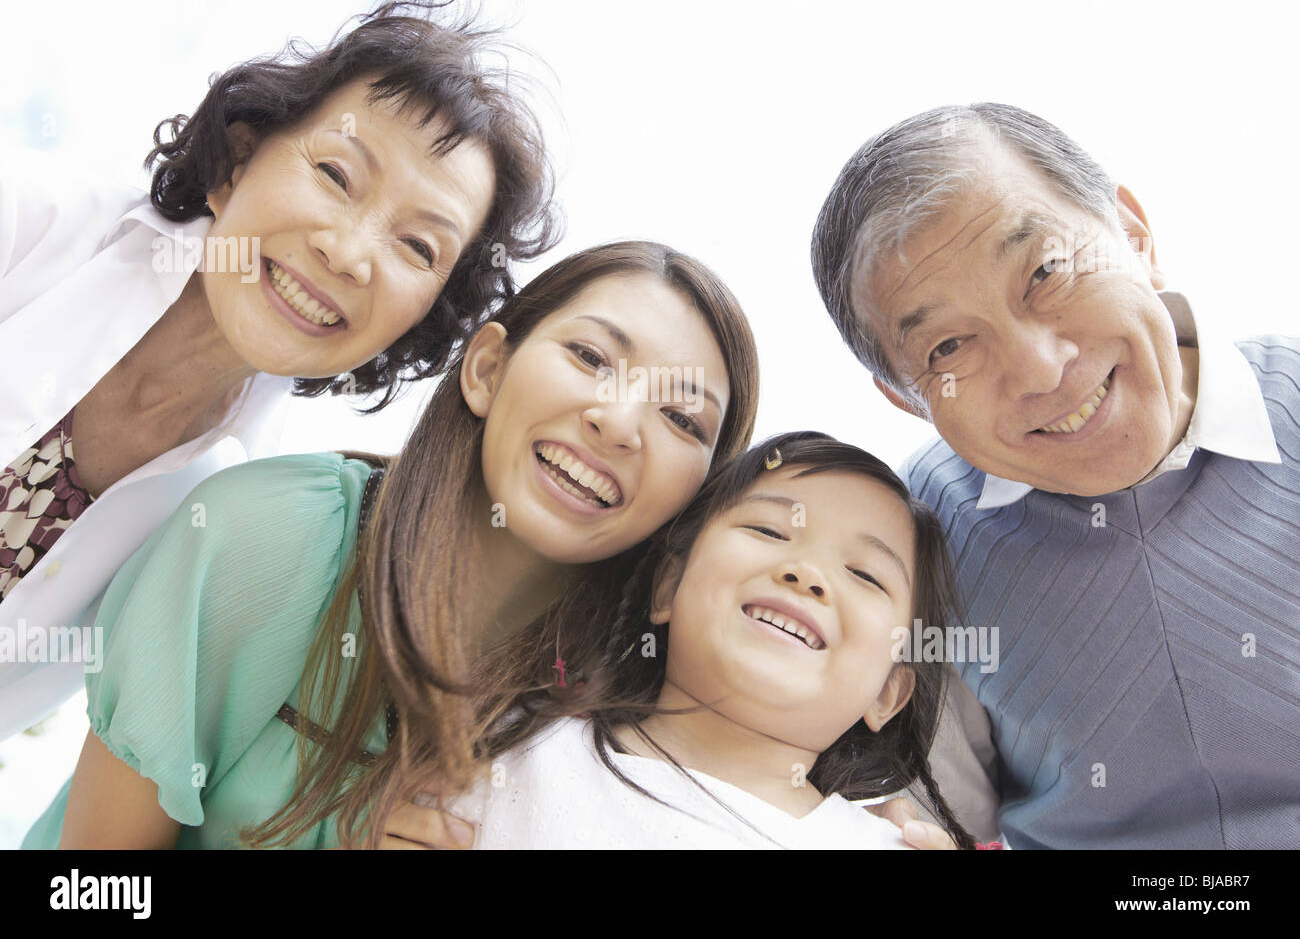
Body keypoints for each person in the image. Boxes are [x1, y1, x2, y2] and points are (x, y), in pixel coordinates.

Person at [21, 240, 760, 849]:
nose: (618, 422)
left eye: (682, 419)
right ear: (487, 369)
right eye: (592, 358)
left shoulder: (622, 717)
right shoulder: (269, 538)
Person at [0, 0, 560, 740]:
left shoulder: (234, 507)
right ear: (239, 159)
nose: (348, 253)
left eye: (417, 247)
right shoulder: (25, 223)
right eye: (335, 174)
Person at [811, 102, 1299, 848]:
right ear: (906, 399)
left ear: (1132, 236)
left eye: (1046, 270)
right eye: (947, 348)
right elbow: (927, 808)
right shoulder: (914, 535)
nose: (1040, 369)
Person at [439, 432, 977, 848]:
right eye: (768, 531)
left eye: (864, 575)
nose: (808, 573)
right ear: (668, 587)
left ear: (887, 693)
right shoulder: (507, 746)